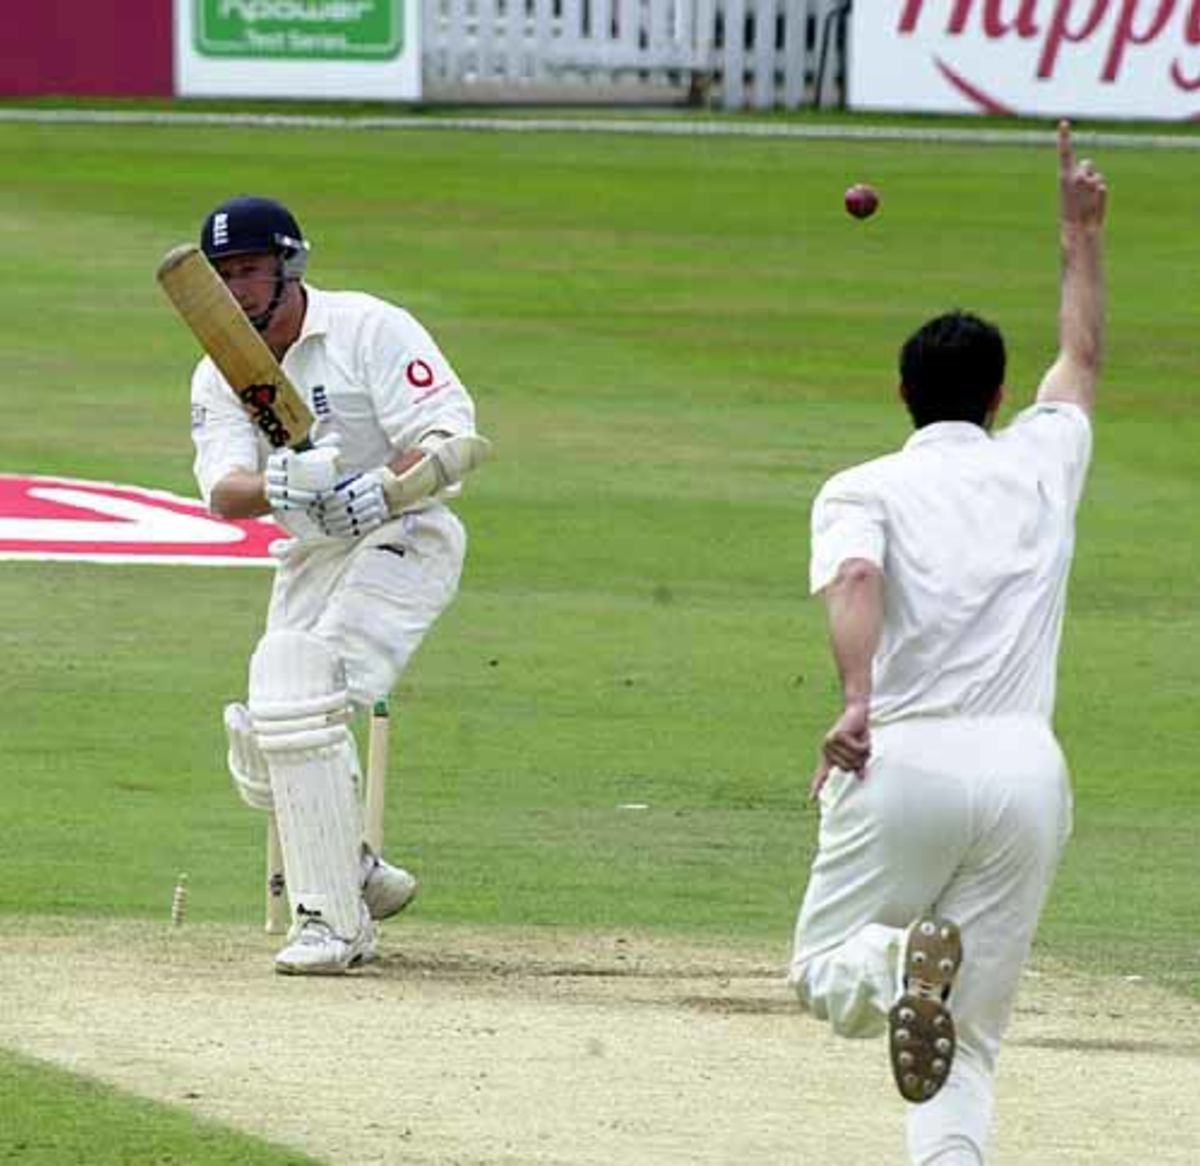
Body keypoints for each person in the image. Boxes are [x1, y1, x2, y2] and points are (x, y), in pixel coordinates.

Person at [788, 120, 1107, 1163]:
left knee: (828, 963)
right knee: (967, 1038)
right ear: (1000, 396)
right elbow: (1084, 353)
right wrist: (1079, 232)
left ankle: (894, 962)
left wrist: (854, 702)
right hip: (1027, 771)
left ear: (901, 395)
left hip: (909, 755)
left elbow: (859, 577)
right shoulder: (1040, 460)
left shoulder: (864, 484)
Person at [186, 194, 489, 975]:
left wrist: (380, 488)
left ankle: (332, 922)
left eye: (250, 270)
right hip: (311, 556)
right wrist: (280, 485)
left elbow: (455, 439)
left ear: (289, 265)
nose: (237, 290)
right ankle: (350, 863)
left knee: (301, 687)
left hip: (406, 535)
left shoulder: (367, 327)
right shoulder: (222, 372)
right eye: (221, 276)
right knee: (261, 738)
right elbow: (223, 490)